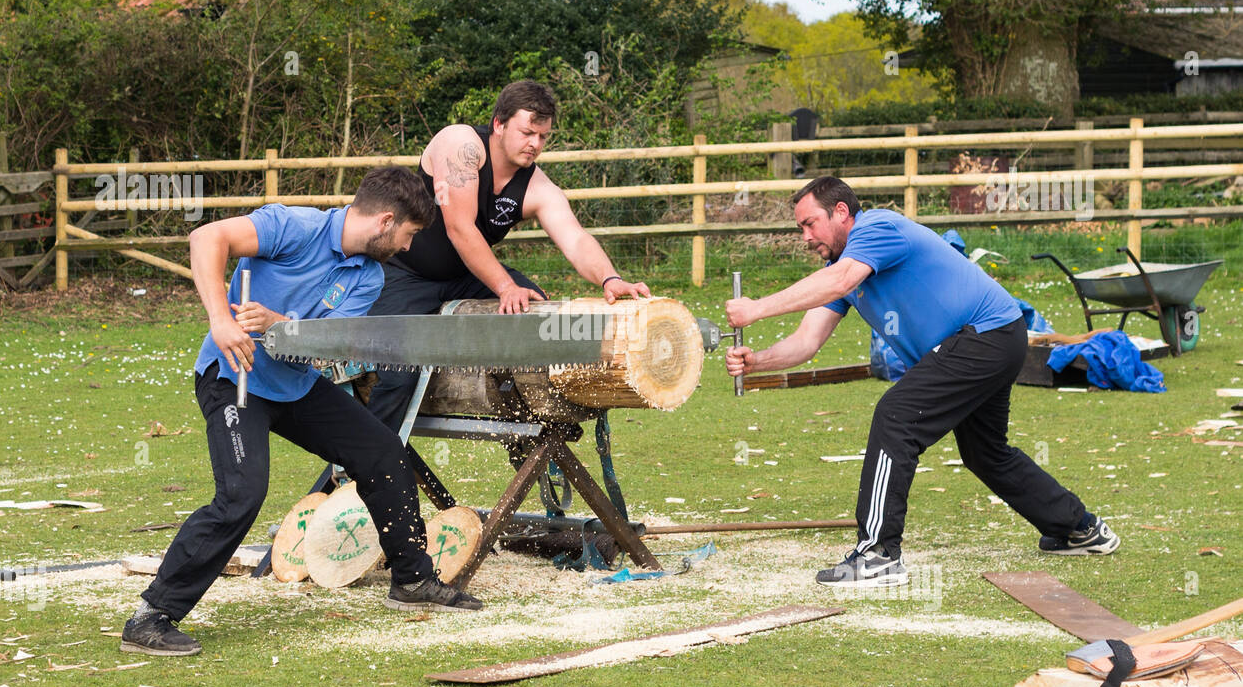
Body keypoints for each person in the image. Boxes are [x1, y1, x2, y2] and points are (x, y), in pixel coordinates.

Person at [120, 166, 483, 658]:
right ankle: (153, 615)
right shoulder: (295, 227)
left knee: (382, 451)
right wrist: (221, 321)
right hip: (234, 376)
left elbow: (322, 348)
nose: (406, 247)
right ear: (385, 220)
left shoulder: (368, 276)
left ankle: (412, 580)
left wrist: (279, 325)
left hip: (293, 387)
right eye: (409, 234)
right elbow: (207, 237)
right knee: (242, 492)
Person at [724, 176, 1119, 586]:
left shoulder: (876, 229)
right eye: (801, 228)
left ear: (841, 212)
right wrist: (759, 362)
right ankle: (1079, 528)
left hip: (985, 334)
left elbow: (839, 281)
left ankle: (877, 554)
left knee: (897, 416)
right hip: (994, 337)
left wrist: (757, 309)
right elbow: (808, 340)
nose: (805, 237)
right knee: (986, 453)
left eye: (809, 224)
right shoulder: (842, 270)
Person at [364, 79, 653, 433]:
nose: (535, 144)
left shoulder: (536, 186)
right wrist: (504, 285)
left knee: (541, 318)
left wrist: (610, 279)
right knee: (398, 376)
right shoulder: (461, 145)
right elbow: (460, 228)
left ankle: (535, 440)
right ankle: (363, 469)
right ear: (499, 124)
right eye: (528, 132)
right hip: (405, 274)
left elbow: (575, 239)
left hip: (464, 275)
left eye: (543, 137)